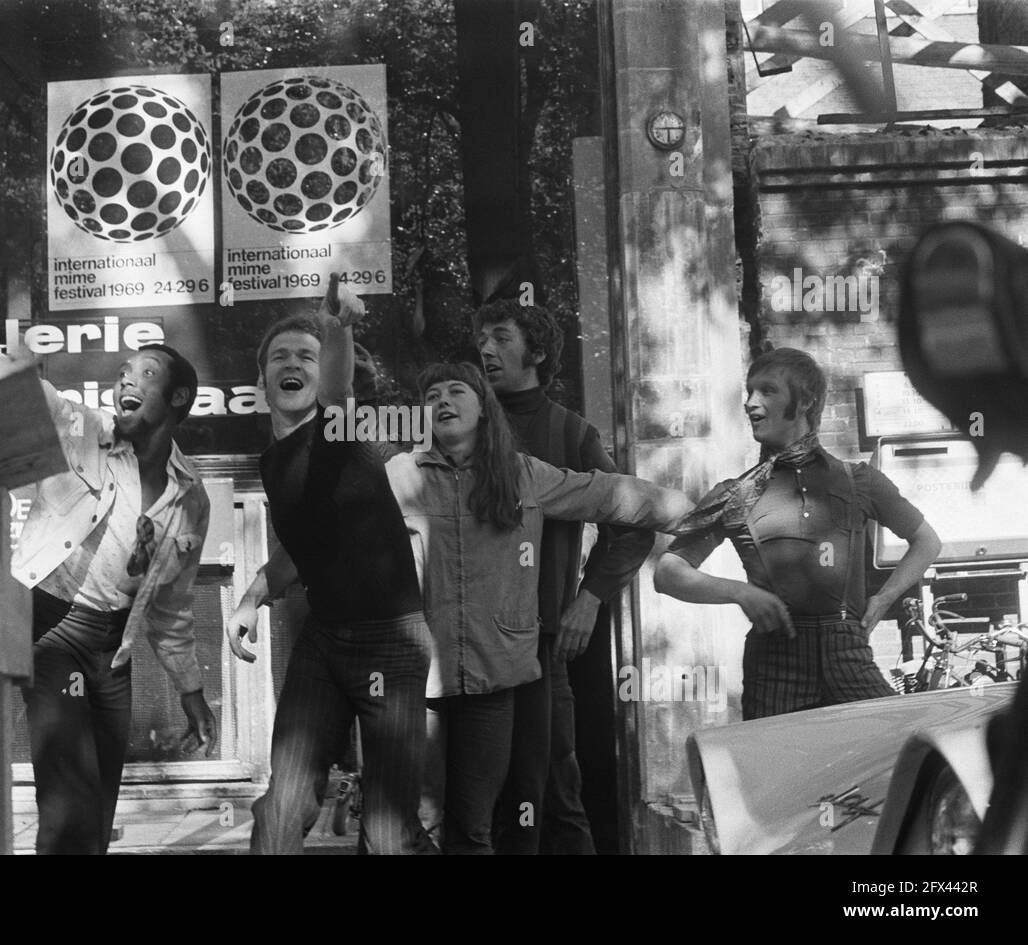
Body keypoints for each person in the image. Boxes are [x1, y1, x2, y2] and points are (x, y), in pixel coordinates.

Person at [0, 310, 217, 854]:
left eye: (145, 374)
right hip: (50, 629)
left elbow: (171, 606)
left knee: (97, 809)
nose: (126, 380)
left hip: (114, 652)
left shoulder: (189, 494)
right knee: (68, 799)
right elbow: (29, 393)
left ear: (178, 399)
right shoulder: (85, 434)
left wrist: (190, 690)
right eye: (123, 373)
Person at [384, 362, 695, 854]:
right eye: (432, 394)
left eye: (456, 390)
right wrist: (265, 588)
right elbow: (338, 531)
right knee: (415, 825)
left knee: (474, 825)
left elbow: (607, 495)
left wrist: (702, 513)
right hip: (421, 681)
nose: (442, 400)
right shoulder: (399, 475)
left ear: (483, 408)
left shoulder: (522, 474)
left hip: (495, 676)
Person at [225, 278, 433, 855]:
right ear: (262, 381)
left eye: (306, 356)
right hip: (324, 643)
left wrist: (337, 327)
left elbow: (340, 391)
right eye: (279, 357)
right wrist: (252, 598)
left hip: (391, 643)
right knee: (281, 808)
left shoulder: (339, 431)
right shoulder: (273, 461)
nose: (292, 364)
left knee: (389, 835)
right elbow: (305, 546)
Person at [655, 347, 942, 720]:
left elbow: (927, 542)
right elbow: (668, 572)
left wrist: (884, 598)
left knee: (899, 740)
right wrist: (740, 592)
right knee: (775, 760)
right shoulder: (736, 494)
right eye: (749, 391)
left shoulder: (858, 481)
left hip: (849, 653)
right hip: (776, 663)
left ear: (805, 401)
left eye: (767, 391)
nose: (750, 403)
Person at [475, 298, 653, 855]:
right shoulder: (463, 428)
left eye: (501, 337)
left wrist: (589, 600)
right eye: (482, 339)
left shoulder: (571, 432)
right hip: (472, 647)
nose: (486, 349)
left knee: (557, 794)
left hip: (542, 645)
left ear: (537, 352)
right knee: (479, 800)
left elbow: (635, 526)